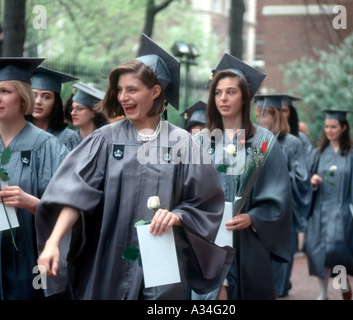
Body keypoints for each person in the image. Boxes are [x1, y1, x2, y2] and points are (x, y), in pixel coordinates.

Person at [35, 34, 235, 300]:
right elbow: (75, 194)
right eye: (119, 90)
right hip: (107, 256)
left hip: (162, 258)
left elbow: (205, 202)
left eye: (132, 89)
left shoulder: (183, 143)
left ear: (155, 92)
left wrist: (178, 216)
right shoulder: (105, 140)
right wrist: (53, 242)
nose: (123, 97)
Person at [0, 57, 69, 299]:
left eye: (5, 91)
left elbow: (71, 206)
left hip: (28, 266)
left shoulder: (48, 147)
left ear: (23, 98)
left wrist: (33, 203)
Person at [197, 53, 292, 300]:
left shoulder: (263, 142)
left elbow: (278, 195)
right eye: (218, 92)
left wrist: (253, 217)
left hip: (247, 242)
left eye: (231, 92)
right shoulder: (200, 141)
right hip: (208, 239)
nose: (223, 98)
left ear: (245, 97)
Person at [306, 109, 353, 300]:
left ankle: (342, 285)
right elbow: (305, 180)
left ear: (343, 128)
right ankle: (323, 294)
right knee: (318, 251)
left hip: (342, 210)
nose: (329, 130)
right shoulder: (318, 153)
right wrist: (312, 181)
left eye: (333, 127)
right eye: (327, 126)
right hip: (319, 208)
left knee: (336, 250)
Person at [254, 93, 312, 297]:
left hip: (283, 211)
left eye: (263, 115)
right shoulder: (256, 140)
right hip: (260, 209)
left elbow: (301, 178)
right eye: (257, 114)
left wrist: (277, 174)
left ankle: (279, 291)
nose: (259, 119)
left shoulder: (293, 143)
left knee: (279, 261)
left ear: (275, 115)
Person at [31, 66, 82, 151]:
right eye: (33, 95)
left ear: (56, 102)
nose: (38, 101)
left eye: (46, 97)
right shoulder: (18, 133)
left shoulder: (68, 138)